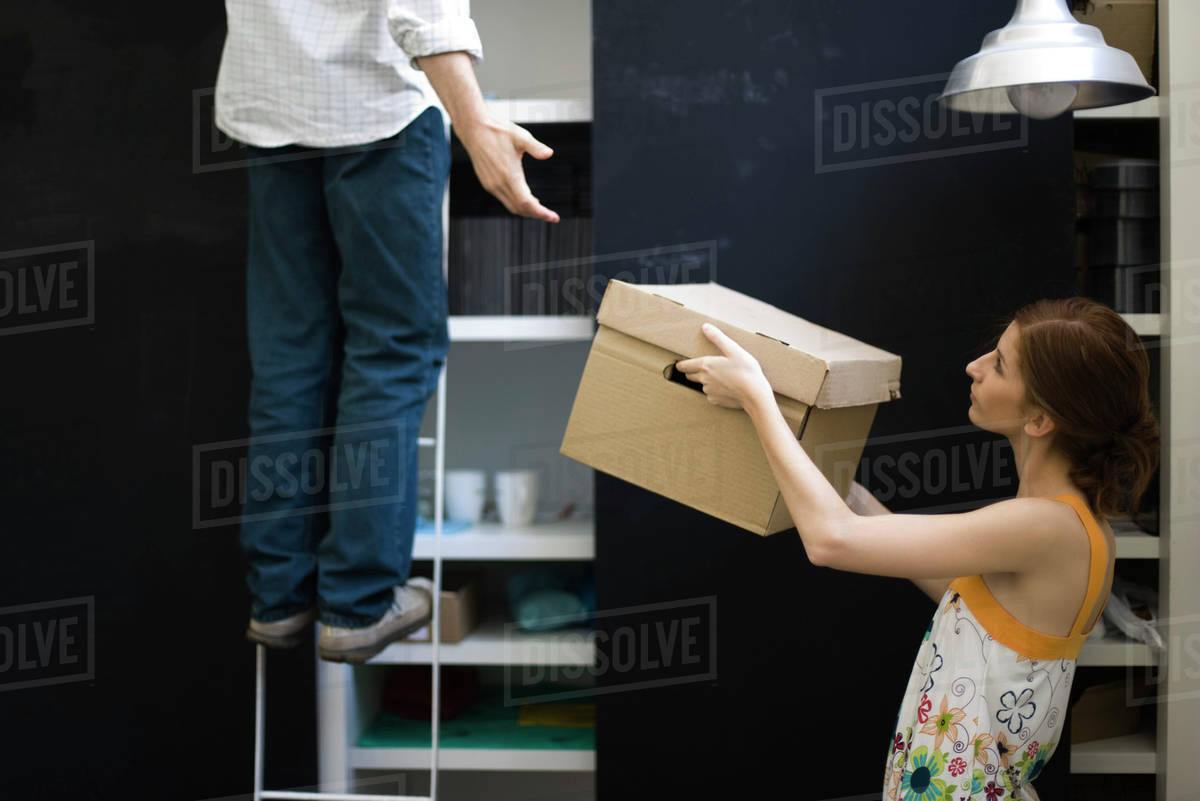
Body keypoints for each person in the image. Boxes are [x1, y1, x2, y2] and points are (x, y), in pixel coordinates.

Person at [675, 297, 1159, 800]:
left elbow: (830, 540)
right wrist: (809, 455)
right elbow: (968, 603)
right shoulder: (1069, 522)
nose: (973, 367)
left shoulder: (1043, 525)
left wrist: (758, 398)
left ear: (1039, 419)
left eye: (999, 365)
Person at [214, 0, 558, 663]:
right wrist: (476, 122)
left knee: (289, 355)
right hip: (376, 113)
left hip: (269, 104)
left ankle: (280, 595)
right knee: (391, 350)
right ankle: (358, 601)